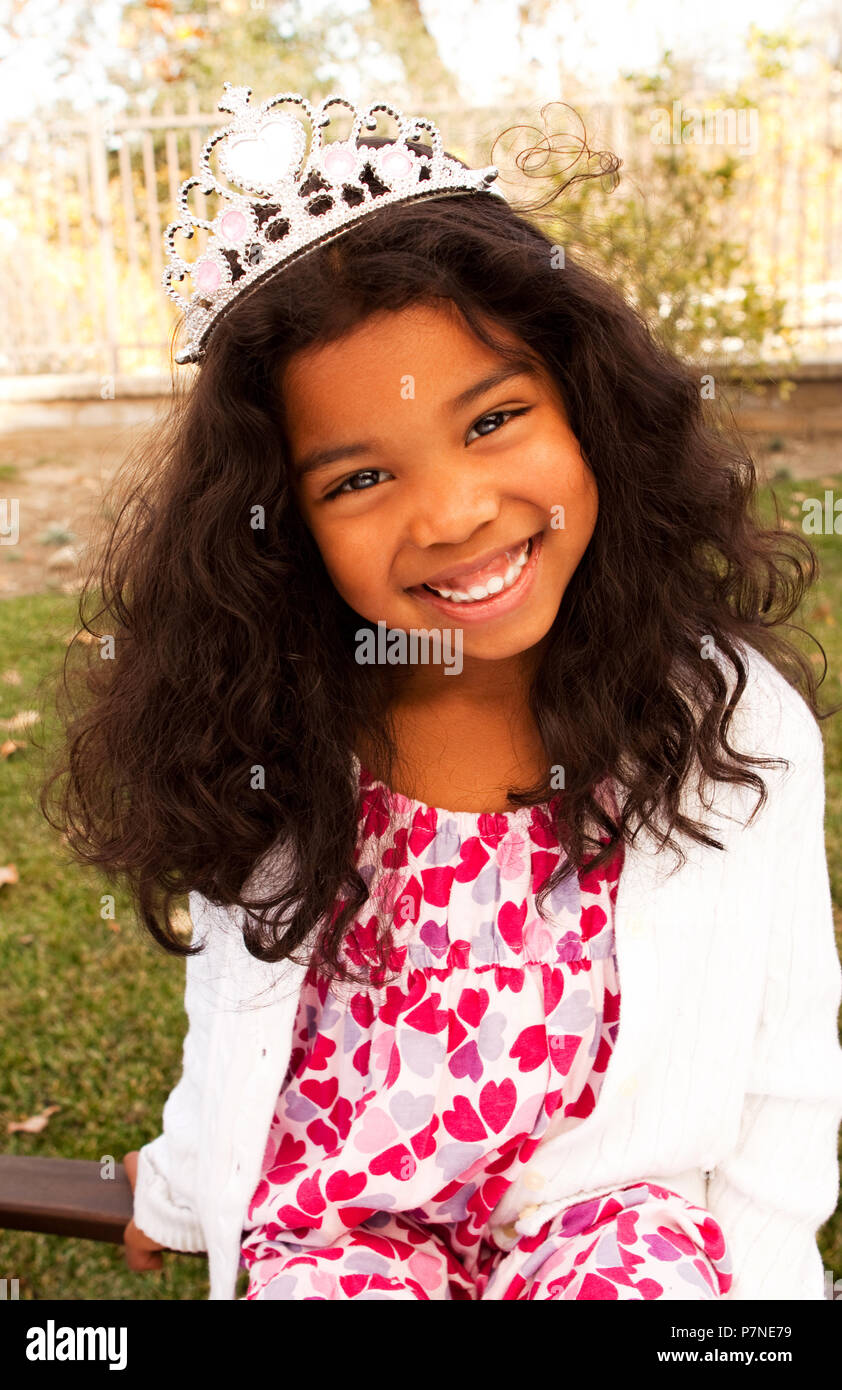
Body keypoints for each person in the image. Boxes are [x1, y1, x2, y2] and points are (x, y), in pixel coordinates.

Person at [42, 86, 842, 1300]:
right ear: (284, 527)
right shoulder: (273, 729)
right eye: (359, 475)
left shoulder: (725, 725)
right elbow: (237, 1012)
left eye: (495, 419)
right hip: (340, 1218)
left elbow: (783, 1062)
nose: (453, 513)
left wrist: (768, 1289)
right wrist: (178, 1184)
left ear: (590, 413)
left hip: (610, 1214)